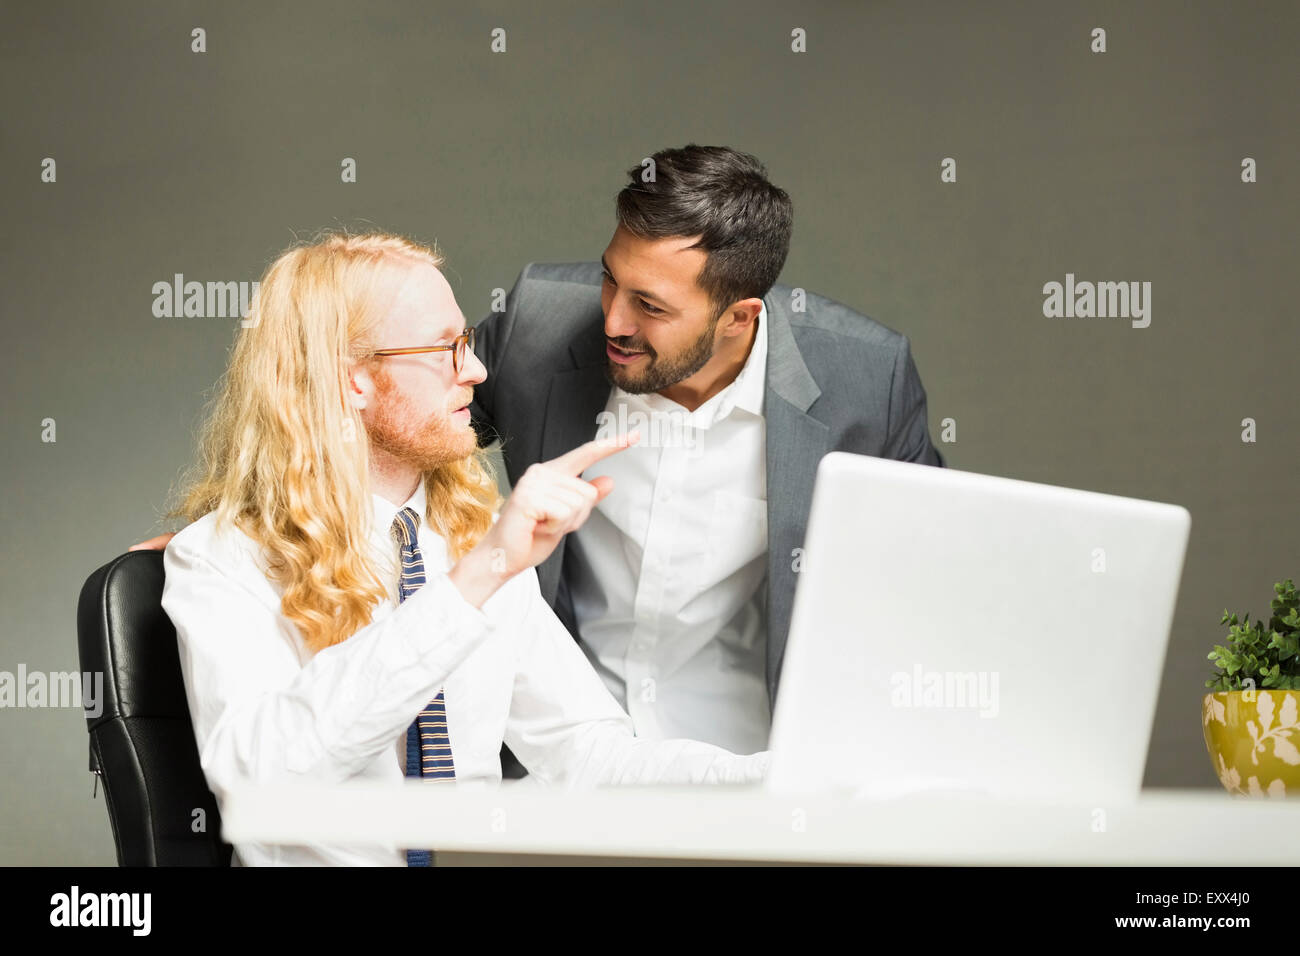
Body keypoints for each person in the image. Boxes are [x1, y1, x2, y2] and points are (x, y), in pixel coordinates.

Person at [158, 231, 768, 867]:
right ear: (354, 380)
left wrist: (773, 778)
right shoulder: (220, 559)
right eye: (445, 348)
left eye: (467, 343)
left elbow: (588, 754)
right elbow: (262, 780)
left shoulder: (473, 538)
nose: (475, 370)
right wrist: (478, 578)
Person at [470, 144, 946, 764]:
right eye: (610, 277)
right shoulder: (535, 321)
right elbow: (393, 433)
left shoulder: (867, 378)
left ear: (739, 316)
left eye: (651, 305)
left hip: (752, 775)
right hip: (553, 768)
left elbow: (928, 584)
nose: (613, 319)